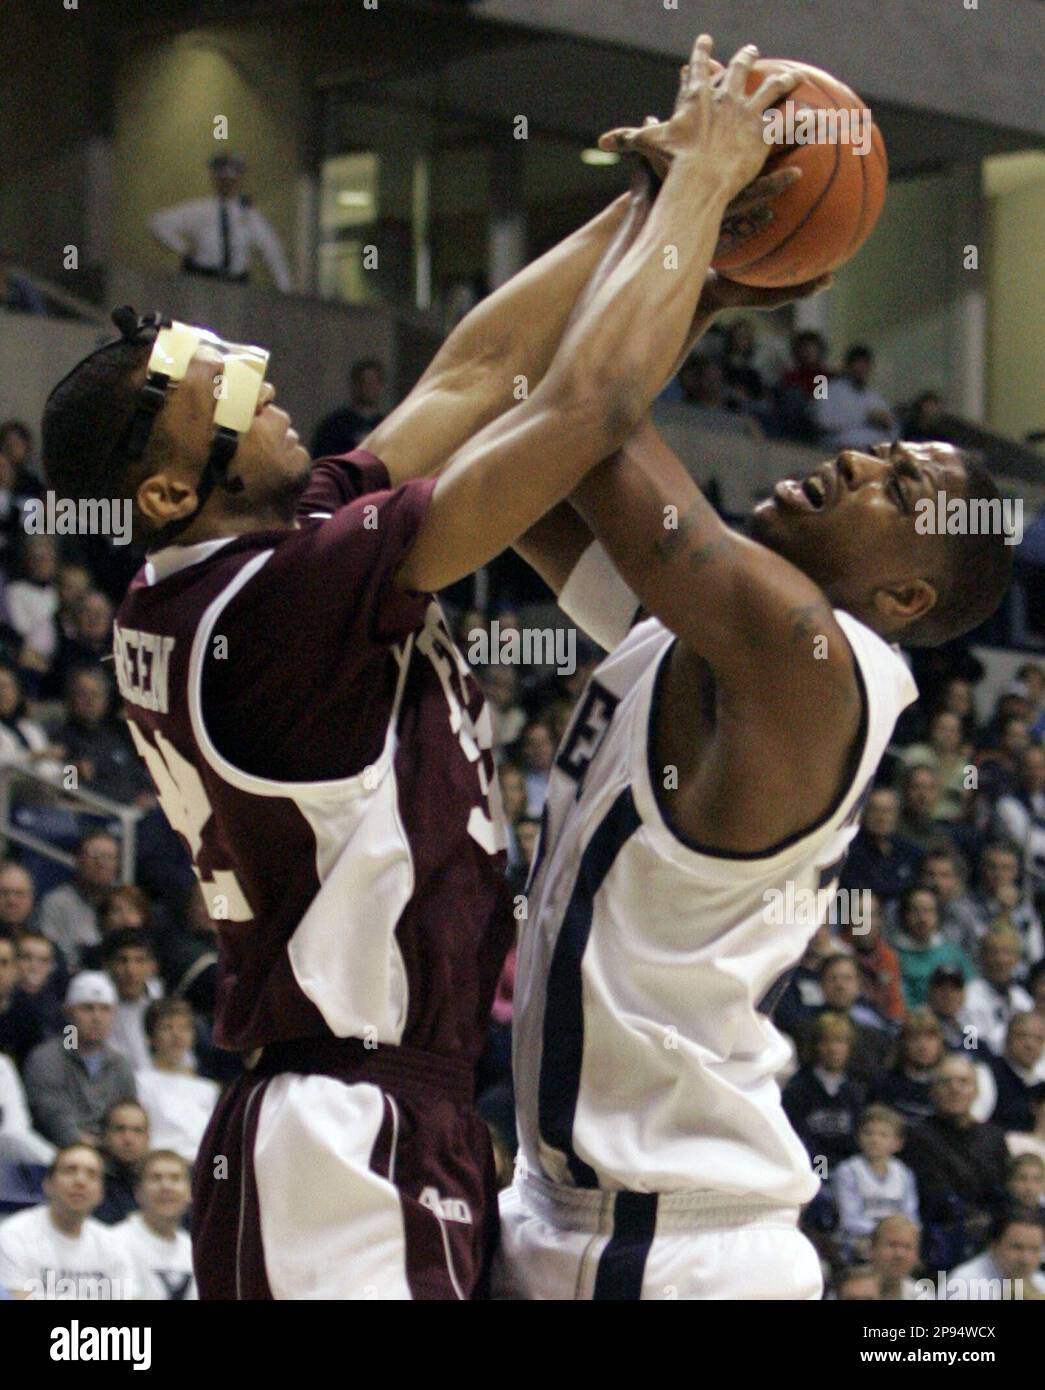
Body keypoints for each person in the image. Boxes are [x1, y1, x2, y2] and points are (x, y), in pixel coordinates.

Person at [44, 31, 798, 1300]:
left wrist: (644, 206)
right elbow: (575, 415)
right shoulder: (276, 602)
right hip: (344, 1123)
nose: (261, 380)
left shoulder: (245, 559)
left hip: (382, 1107)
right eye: (222, 396)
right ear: (172, 487)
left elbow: (477, 370)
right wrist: (696, 198)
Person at [902, 1055, 1009, 1268]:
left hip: (992, 1233)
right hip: (940, 1236)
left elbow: (1003, 1191)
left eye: (963, 1082)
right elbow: (933, 1194)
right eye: (945, 1082)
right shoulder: (917, 1137)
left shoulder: (994, 1137)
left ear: (976, 1091)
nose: (955, 1089)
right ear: (932, 1091)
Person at [0, 1143, 135, 1300]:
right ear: (48, 1184)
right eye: (70, 1171)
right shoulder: (12, 1236)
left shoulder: (113, 1244)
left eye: (91, 1175)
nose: (80, 1181)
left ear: (101, 1193)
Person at [22, 972, 137, 1147]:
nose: (97, 1017)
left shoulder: (120, 1064)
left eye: (105, 1009)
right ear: (68, 1013)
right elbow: (57, 1122)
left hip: (112, 1157)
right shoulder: (47, 1058)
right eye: (87, 1008)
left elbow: (129, 1116)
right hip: (57, 1156)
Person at [149, 152, 292, 290]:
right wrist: (182, 248)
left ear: (238, 181)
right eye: (223, 180)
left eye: (231, 181)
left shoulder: (251, 216)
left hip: (236, 283)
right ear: (214, 180)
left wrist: (284, 289)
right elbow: (158, 222)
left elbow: (272, 251)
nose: (227, 185)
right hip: (201, 280)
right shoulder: (198, 210)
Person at [134, 997, 219, 1165]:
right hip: (160, 1166)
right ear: (150, 1038)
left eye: (184, 1028)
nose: (177, 1035)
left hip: (202, 1169)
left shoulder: (209, 1089)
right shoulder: (139, 1081)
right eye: (167, 1028)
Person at [782, 1013, 865, 1174]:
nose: (833, 1049)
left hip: (848, 1171)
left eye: (840, 1042)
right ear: (815, 1046)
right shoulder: (798, 1089)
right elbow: (797, 1139)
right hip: (812, 1168)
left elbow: (857, 1139)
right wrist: (823, 1172)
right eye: (826, 1042)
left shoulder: (856, 1089)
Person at [832, 1105, 919, 1257]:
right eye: (868, 1133)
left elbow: (910, 1215)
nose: (875, 1140)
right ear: (858, 1137)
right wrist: (883, 1234)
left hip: (894, 1241)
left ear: (897, 1143)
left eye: (883, 1135)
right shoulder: (848, 1171)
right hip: (857, 1242)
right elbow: (849, 1218)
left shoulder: (903, 1173)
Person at [114, 1150, 197, 1300]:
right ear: (138, 1192)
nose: (166, 1187)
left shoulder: (193, 1251)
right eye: (156, 1178)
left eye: (175, 1178)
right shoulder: (114, 1243)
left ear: (190, 1193)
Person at [38, 829, 122, 971]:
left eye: (108, 857)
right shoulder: (56, 902)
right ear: (78, 859)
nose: (101, 863)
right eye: (93, 856)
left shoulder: (124, 901)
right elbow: (48, 955)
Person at [840, 786, 923, 905]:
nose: (881, 817)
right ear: (864, 813)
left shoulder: (911, 852)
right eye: (875, 810)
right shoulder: (848, 852)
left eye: (887, 811)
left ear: (897, 815)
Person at [894, 886, 973, 1009]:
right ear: (904, 914)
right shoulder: (893, 955)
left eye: (928, 911)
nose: (922, 918)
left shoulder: (953, 952)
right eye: (915, 911)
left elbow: (971, 989)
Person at [960, 926, 1034, 1054]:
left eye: (1007, 953)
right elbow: (969, 1045)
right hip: (983, 1066)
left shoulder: (1023, 1000)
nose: (1001, 960)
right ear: (982, 956)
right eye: (994, 952)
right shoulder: (967, 997)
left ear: (1016, 959)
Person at [812, 344, 898, 452]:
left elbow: (893, 432)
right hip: (838, 449)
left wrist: (887, 424)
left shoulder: (876, 398)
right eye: (858, 364)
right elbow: (821, 421)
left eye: (865, 364)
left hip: (870, 454)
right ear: (848, 366)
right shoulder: (828, 389)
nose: (861, 368)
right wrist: (865, 417)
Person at [945, 1207, 1045, 1299]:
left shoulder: (1041, 1282)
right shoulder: (964, 1285)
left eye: (1034, 1249)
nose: (1025, 1259)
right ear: (993, 1246)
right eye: (1017, 1248)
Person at [994, 743, 1045, 905]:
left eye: (1040, 767)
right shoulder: (1007, 803)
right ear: (1019, 769)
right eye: (1030, 767)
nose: (1035, 773)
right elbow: (1031, 844)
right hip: (1029, 879)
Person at [310, 359, 387, 458]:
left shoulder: (386, 425)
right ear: (355, 385)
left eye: (373, 382)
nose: (369, 388)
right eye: (364, 382)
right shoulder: (334, 425)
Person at [94, 1100, 150, 1225]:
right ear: (104, 1135)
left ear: (148, 1138)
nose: (128, 1139)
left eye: (137, 1131)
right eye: (119, 1129)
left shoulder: (158, 1185)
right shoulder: (89, 1184)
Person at [988, 1011, 1045, 1132]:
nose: (1030, 1044)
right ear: (1007, 1037)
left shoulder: (1040, 1085)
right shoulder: (988, 1074)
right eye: (1022, 1036)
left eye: (1038, 1039)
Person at [869, 1214, 924, 1300]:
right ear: (872, 1249)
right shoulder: (852, 1292)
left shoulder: (921, 1295)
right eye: (892, 1245)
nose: (899, 1254)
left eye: (907, 1247)